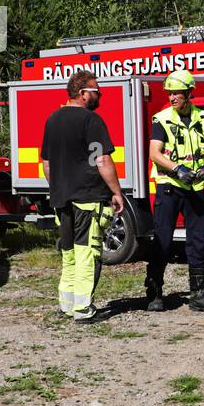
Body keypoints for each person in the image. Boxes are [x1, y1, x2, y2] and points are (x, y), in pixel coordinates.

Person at [40, 71, 125, 323]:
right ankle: (83, 309)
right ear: (83, 93)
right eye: (96, 91)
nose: (100, 95)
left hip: (61, 199)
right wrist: (116, 192)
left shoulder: (53, 119)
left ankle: (67, 305)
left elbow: (46, 163)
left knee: (69, 253)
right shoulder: (91, 120)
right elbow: (102, 160)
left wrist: (58, 187)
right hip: (87, 198)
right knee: (87, 252)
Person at [146, 69, 204, 313]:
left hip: (195, 188)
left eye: (176, 93)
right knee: (162, 240)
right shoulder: (161, 119)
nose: (171, 97)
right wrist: (177, 169)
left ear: (189, 93)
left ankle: (199, 294)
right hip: (170, 187)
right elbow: (154, 153)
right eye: (169, 93)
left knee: (198, 242)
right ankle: (154, 293)